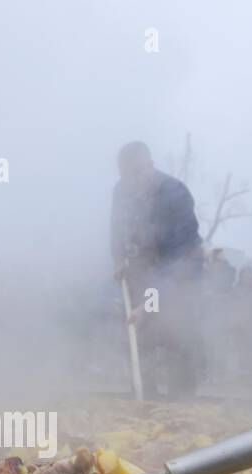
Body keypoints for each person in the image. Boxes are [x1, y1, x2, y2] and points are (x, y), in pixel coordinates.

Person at [109, 141, 205, 399]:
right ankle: (145, 400)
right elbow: (116, 231)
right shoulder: (121, 191)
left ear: (150, 165)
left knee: (178, 337)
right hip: (141, 271)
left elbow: (180, 258)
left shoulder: (175, 193)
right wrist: (118, 258)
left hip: (179, 275)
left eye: (137, 173)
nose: (132, 182)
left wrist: (149, 304)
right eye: (126, 176)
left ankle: (182, 408)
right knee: (136, 339)